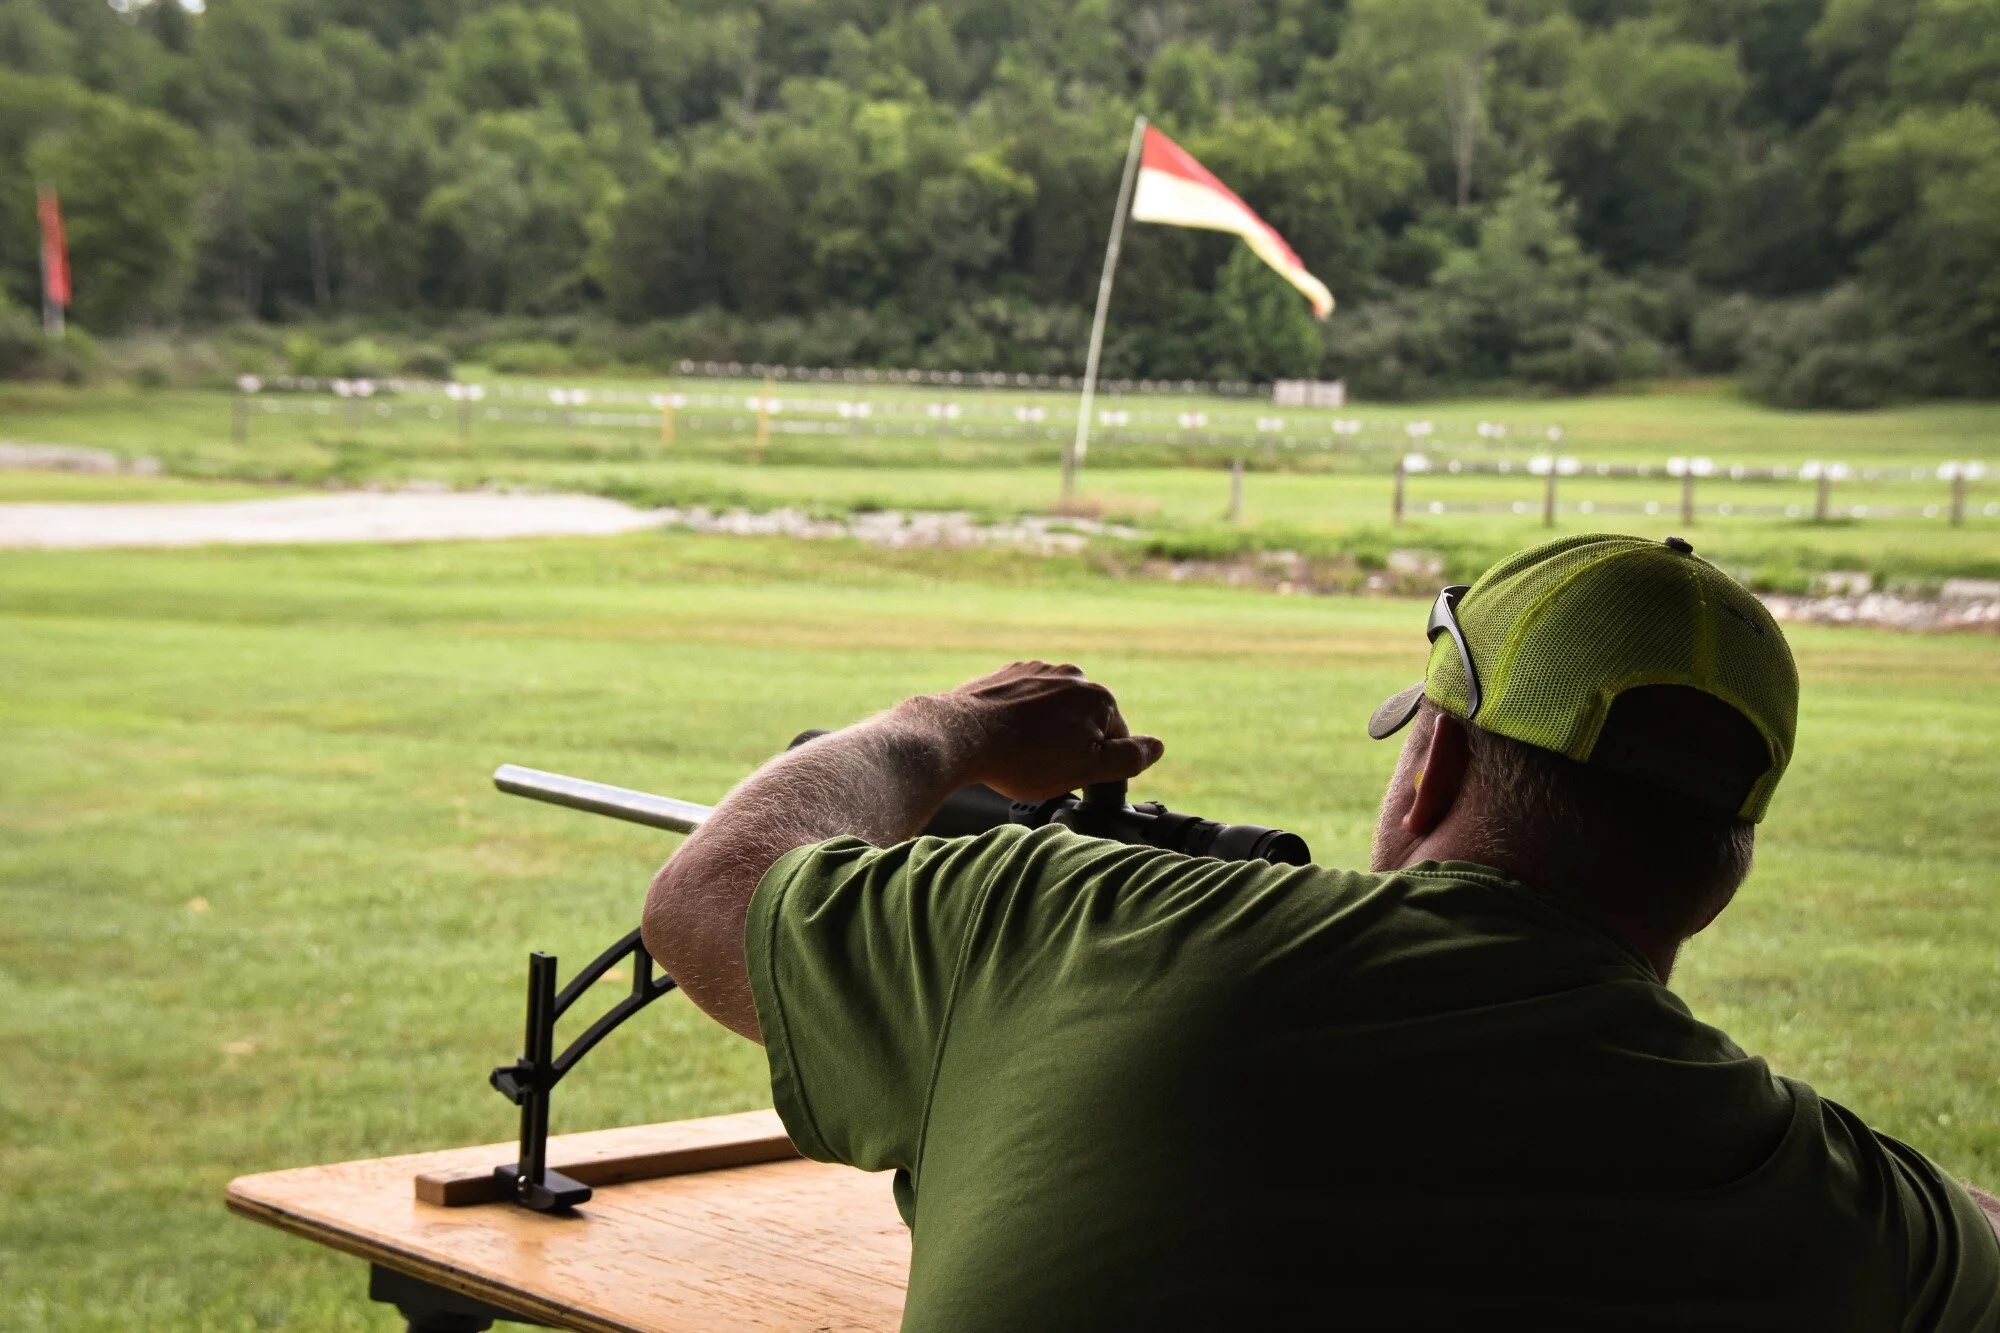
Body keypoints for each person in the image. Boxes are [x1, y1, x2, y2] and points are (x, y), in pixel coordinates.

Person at [643, 533, 2000, 1330]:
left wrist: (946, 728)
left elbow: (709, 898)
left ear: (1435, 769)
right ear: (1726, 867)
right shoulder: (1826, 1204)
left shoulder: (1076, 927)